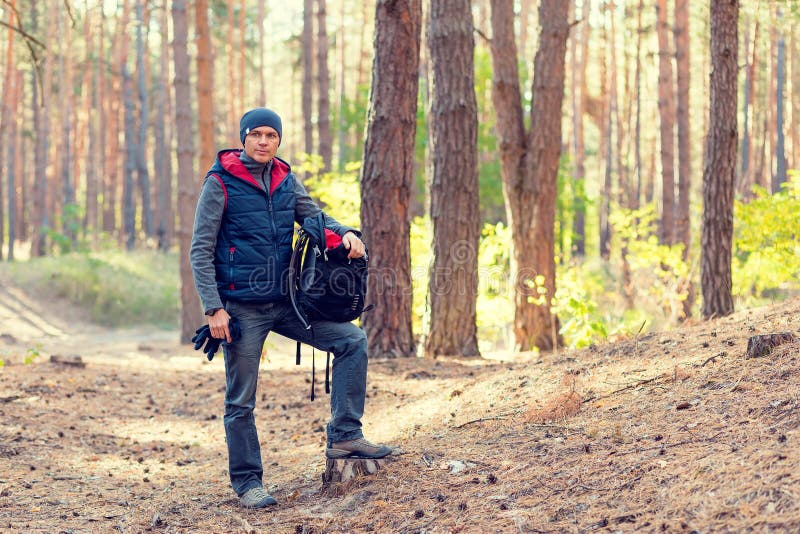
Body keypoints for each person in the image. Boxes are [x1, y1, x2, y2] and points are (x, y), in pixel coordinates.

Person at [190, 108, 392, 509]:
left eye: (271, 135)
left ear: (278, 141)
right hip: (241, 309)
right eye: (257, 135)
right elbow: (200, 249)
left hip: (288, 304)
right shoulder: (220, 183)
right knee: (240, 400)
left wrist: (346, 233)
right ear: (244, 138)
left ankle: (346, 435)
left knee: (352, 340)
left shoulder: (284, 179)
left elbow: (314, 219)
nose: (264, 142)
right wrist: (214, 309)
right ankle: (249, 482)